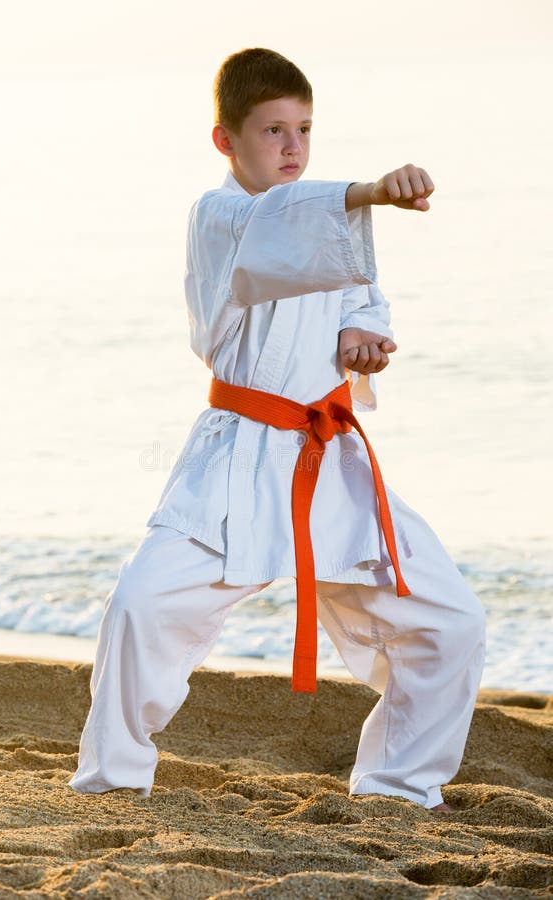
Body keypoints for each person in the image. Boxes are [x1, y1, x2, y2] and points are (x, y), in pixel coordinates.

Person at [68, 47, 486, 812]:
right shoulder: (221, 215)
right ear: (226, 140)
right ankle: (113, 779)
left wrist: (363, 340)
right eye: (272, 132)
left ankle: (396, 787)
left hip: (330, 456)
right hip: (238, 456)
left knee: (450, 622)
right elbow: (278, 232)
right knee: (140, 606)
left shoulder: (331, 217)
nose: (292, 147)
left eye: (303, 129)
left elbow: (361, 293)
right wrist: (366, 191)